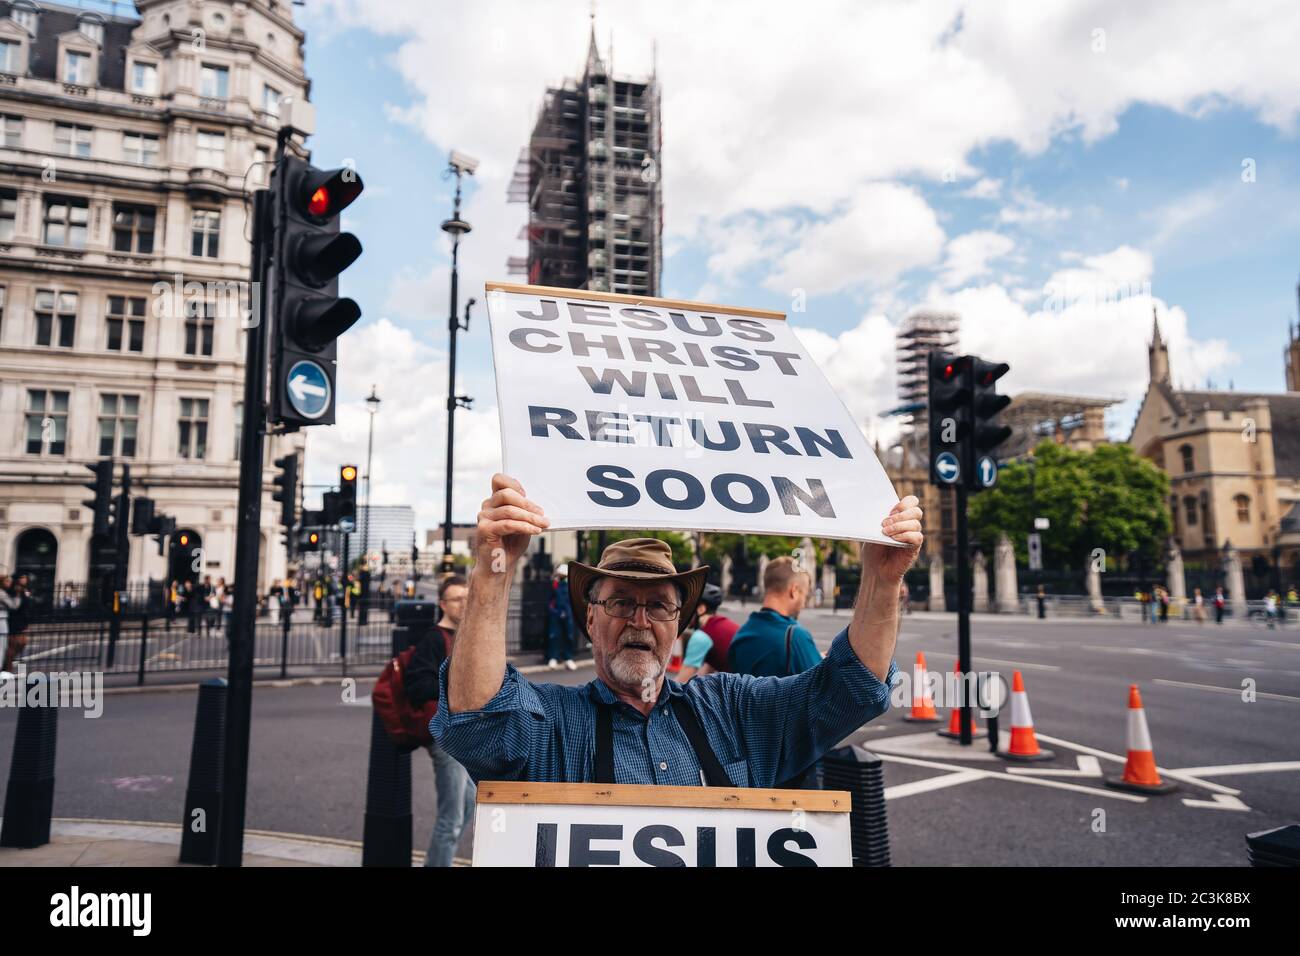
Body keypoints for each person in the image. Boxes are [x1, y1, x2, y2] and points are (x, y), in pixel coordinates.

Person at [432, 474, 921, 789]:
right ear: (590, 619)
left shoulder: (733, 709)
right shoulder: (553, 724)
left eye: (659, 607)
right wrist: (492, 571)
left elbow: (849, 690)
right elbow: (476, 720)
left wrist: (882, 579)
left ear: (679, 626)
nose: (640, 621)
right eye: (621, 602)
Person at [403, 574, 475, 868]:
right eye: (458, 599)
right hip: (445, 737)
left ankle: (434, 862)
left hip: (465, 735)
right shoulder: (434, 639)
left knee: (470, 804)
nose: (465, 604)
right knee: (451, 818)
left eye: (468, 598)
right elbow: (417, 687)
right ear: (443, 604)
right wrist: (453, 686)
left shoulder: (467, 636)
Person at [697, 584, 738, 674]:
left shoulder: (702, 636)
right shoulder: (722, 623)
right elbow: (707, 670)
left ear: (701, 609)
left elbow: (683, 679)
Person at [546, 565, 577, 670]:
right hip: (556, 614)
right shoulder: (554, 585)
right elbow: (550, 601)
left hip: (567, 615)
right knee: (554, 636)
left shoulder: (570, 586)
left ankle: (568, 658)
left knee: (569, 636)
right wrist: (554, 611)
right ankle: (553, 657)